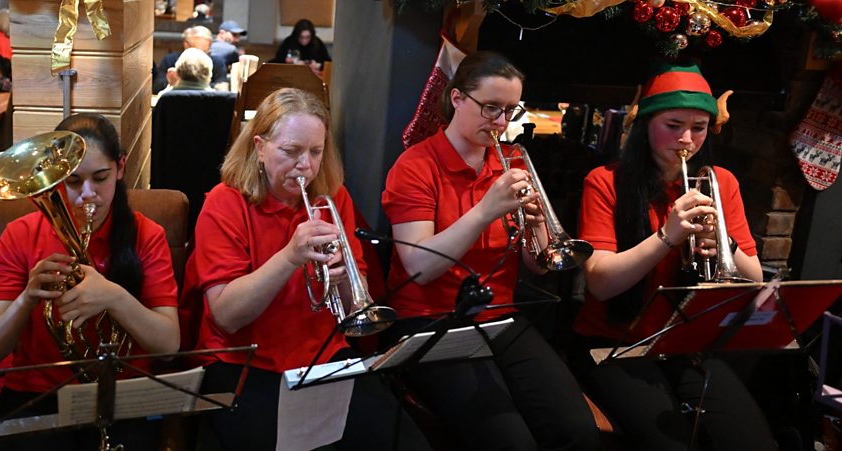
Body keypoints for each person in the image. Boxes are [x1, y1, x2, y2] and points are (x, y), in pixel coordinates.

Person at [182, 88, 431, 451]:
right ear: (260, 147)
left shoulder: (332, 197)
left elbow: (355, 310)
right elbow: (226, 316)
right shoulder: (224, 203)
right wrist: (289, 257)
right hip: (242, 361)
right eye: (291, 151)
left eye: (316, 152)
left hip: (323, 354)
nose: (306, 166)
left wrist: (345, 278)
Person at [381, 50, 600, 451]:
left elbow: (538, 267)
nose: (500, 123)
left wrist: (536, 224)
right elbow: (418, 267)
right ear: (457, 99)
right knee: (510, 442)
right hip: (429, 320)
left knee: (578, 432)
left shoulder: (513, 160)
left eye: (510, 111)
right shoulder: (415, 166)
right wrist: (485, 212)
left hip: (500, 316)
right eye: (490, 108)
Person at [572, 63, 775, 451]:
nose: (686, 139)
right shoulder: (605, 181)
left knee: (752, 442)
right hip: (614, 343)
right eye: (673, 124)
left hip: (687, 341)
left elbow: (754, 280)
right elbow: (599, 282)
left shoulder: (721, 181)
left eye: (698, 128)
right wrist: (668, 236)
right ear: (646, 123)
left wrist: (725, 244)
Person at [0, 114, 180, 451]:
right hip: (36, 390)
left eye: (100, 178)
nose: (88, 195)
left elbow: (169, 345)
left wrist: (113, 296)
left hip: (121, 392)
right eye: (72, 182)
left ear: (120, 168)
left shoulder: (147, 235)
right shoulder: (21, 235)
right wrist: (28, 297)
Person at [152, 25, 227, 94]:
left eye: (205, 51)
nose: (200, 56)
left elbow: (221, 88)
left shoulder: (217, 62)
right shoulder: (170, 60)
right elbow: (157, 87)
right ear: (186, 45)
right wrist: (172, 79)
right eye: (196, 50)